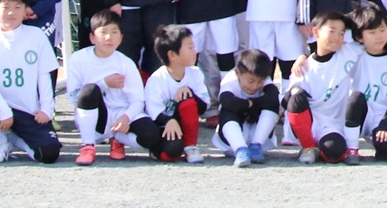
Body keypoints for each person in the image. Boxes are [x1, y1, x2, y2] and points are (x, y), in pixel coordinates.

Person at [0, 0, 62, 164]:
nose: (11, 13)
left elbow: (44, 76)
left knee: (49, 154)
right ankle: (1, 143)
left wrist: (46, 109)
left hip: (27, 111)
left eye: (17, 7)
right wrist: (4, 111)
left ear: (25, 10)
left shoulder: (37, 36)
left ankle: (14, 139)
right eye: (5, 7)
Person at [65, 9, 153, 164]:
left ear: (121, 38)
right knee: (90, 90)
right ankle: (88, 146)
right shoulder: (77, 59)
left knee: (151, 136)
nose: (108, 37)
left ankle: (117, 138)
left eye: (114, 32)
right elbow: (74, 97)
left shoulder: (126, 63)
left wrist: (126, 118)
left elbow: (138, 100)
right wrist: (104, 84)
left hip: (120, 113)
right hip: (95, 117)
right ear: (92, 37)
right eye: (103, 32)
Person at [286, 11, 363, 164]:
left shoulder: (347, 53)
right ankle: (308, 147)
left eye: (341, 33)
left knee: (333, 153)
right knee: (295, 97)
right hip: (309, 124)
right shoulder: (304, 66)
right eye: (332, 31)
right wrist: (301, 57)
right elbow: (289, 101)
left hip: (333, 126)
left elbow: (372, 40)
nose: (337, 37)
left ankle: (323, 148)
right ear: (316, 32)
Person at [347, 2, 387, 161]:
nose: (379, 36)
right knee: (355, 98)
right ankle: (351, 149)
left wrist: (386, 123)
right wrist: (301, 59)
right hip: (360, 113)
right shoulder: (353, 54)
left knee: (384, 143)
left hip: (382, 115)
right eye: (372, 32)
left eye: (383, 30)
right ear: (359, 37)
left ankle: (380, 147)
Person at [142, 24, 208, 163]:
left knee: (187, 100)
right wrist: (169, 121)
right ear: (172, 55)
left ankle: (190, 147)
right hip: (163, 126)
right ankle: (158, 150)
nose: (195, 51)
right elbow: (154, 113)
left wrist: (190, 93)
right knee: (172, 151)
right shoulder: (157, 79)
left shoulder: (195, 73)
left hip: (184, 124)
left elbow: (203, 108)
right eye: (190, 48)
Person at [216, 48, 284, 166]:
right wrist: (249, 105)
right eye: (251, 81)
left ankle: (256, 145)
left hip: (259, 136)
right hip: (232, 138)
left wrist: (252, 104)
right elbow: (226, 100)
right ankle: (240, 150)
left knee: (272, 106)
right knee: (227, 110)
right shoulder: (230, 79)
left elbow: (273, 96)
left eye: (260, 82)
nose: (255, 86)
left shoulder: (262, 77)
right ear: (238, 73)